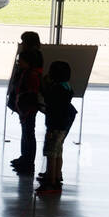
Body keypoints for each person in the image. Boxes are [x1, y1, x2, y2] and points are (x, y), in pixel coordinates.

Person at [37, 60, 77, 194]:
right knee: (58, 151)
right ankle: (57, 176)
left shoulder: (56, 89)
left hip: (55, 125)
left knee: (50, 153)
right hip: (64, 123)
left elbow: (51, 104)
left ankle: (51, 182)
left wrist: (50, 129)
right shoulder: (66, 86)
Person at [8, 31, 44, 175]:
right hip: (28, 100)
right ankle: (26, 159)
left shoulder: (29, 65)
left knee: (28, 131)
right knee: (27, 131)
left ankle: (28, 161)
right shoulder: (38, 57)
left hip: (27, 101)